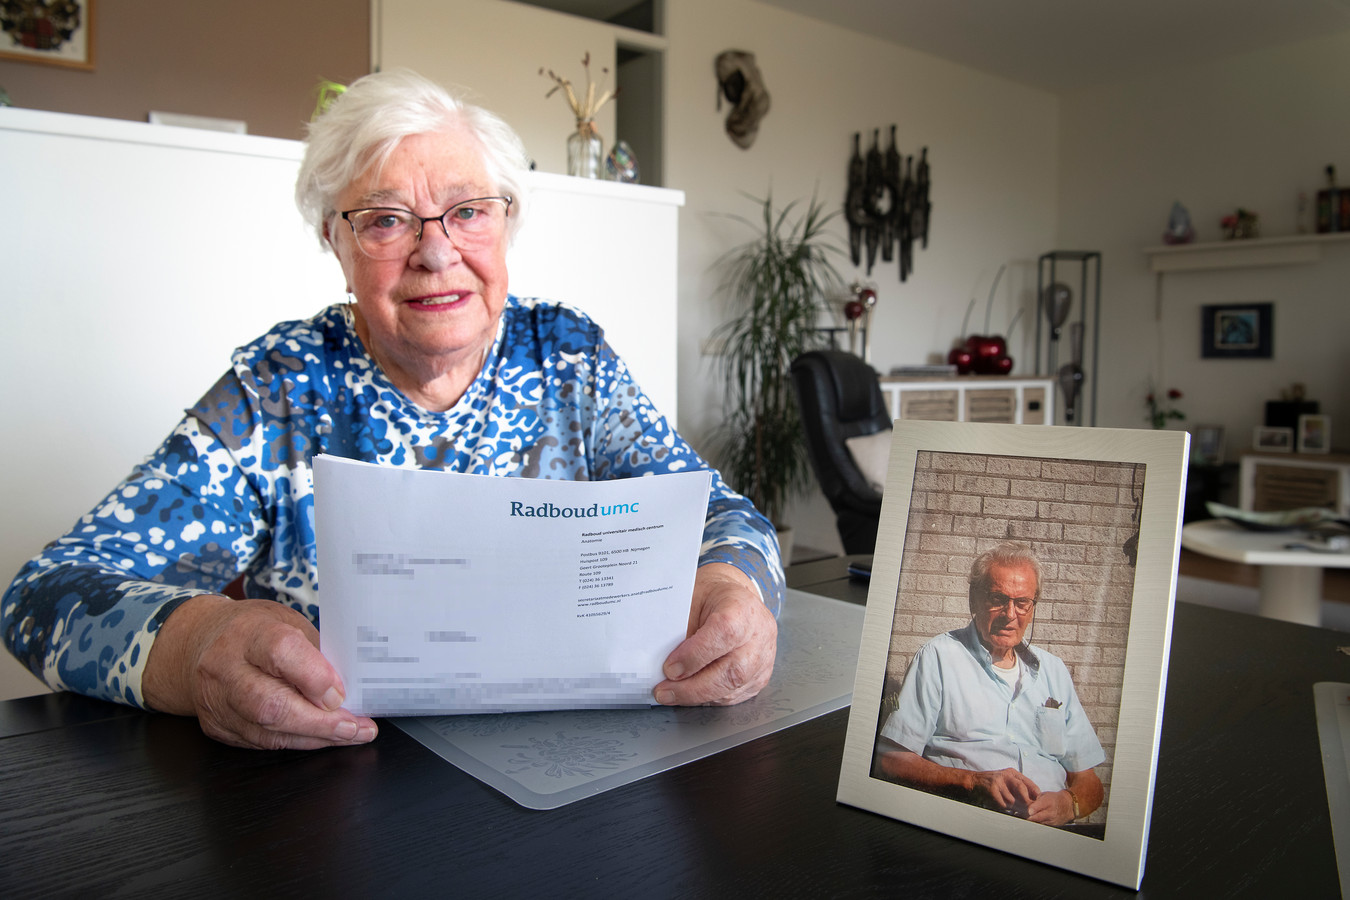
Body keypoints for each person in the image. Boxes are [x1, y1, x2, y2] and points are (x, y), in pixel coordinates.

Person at [1, 69, 781, 751]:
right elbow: (46, 595)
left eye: (469, 211)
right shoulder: (281, 386)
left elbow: (718, 512)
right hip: (338, 785)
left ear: (506, 222)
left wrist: (734, 587)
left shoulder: (567, 354)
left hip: (577, 760)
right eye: (384, 220)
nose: (436, 252)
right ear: (335, 243)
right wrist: (200, 640)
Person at [873, 543, 1105, 827]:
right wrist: (972, 781)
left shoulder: (1053, 671)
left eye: (1022, 603)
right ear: (974, 600)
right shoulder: (939, 657)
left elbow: (1090, 782)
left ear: (1033, 607)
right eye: (998, 599)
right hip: (968, 825)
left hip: (1052, 836)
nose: (1010, 614)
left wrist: (1070, 805)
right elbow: (892, 759)